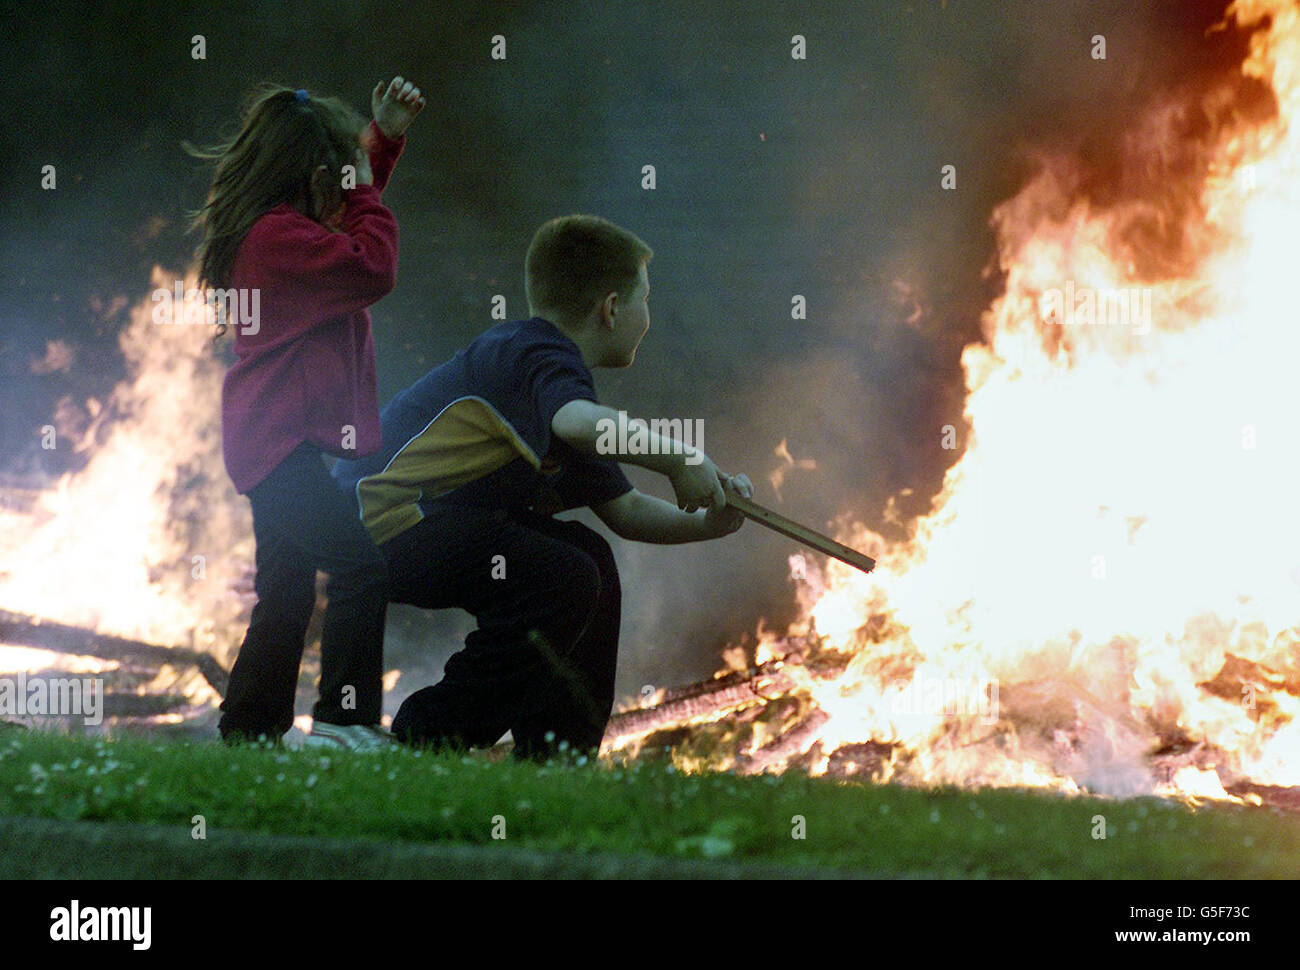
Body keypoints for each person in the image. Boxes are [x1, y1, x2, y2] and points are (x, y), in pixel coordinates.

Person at [332, 214, 752, 760]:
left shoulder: (547, 381)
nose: (650, 316)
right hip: (372, 521)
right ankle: (426, 741)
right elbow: (578, 422)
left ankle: (558, 760)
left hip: (412, 522)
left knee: (589, 557)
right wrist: (680, 455)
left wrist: (709, 524)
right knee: (562, 575)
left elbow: (625, 511)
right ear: (611, 307)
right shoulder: (534, 350)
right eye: (645, 298)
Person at [188, 78, 424, 749]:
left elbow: (348, 226)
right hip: (278, 446)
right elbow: (372, 262)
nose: (347, 184)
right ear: (313, 173)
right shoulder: (277, 239)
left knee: (287, 594)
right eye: (337, 170)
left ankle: (248, 731)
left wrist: (377, 144)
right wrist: (360, 184)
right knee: (360, 568)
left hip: (274, 442)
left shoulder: (281, 231)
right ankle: (343, 727)